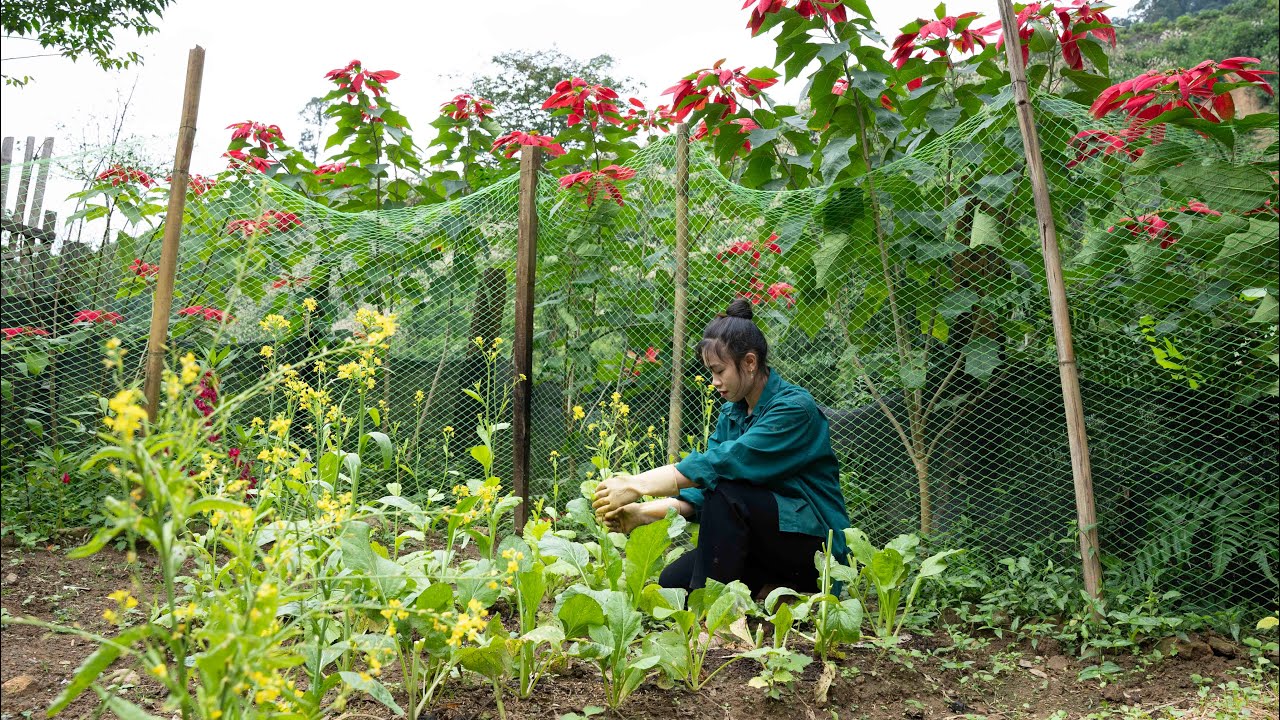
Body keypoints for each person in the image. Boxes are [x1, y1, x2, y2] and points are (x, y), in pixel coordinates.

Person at [592, 298, 851, 597]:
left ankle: (715, 619)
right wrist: (642, 512)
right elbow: (703, 494)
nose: (714, 382)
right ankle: (774, 591)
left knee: (726, 492)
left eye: (719, 371)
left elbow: (723, 465)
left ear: (750, 363)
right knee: (673, 584)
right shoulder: (733, 413)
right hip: (765, 543)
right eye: (710, 373)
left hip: (817, 548)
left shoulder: (794, 409)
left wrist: (636, 483)